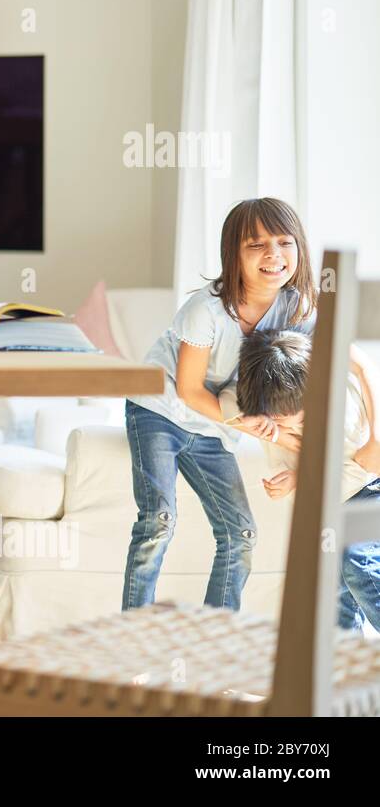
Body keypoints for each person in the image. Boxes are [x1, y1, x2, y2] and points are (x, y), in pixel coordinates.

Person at [122, 198, 318, 611]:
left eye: (285, 242)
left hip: (214, 426)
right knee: (158, 520)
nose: (273, 255)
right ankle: (131, 638)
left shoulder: (298, 309)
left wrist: (298, 461)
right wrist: (251, 425)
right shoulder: (205, 309)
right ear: (233, 254)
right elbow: (190, 390)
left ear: (299, 248)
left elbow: (297, 393)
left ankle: (213, 637)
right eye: (256, 245)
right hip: (161, 411)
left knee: (240, 534)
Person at [231, 329, 380, 631]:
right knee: (332, 591)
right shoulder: (269, 420)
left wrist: (302, 476)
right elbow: (224, 401)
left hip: (368, 490)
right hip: (327, 508)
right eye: (287, 423)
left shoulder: (342, 412)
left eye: (303, 417)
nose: (300, 427)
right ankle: (342, 666)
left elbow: (359, 469)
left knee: (356, 562)